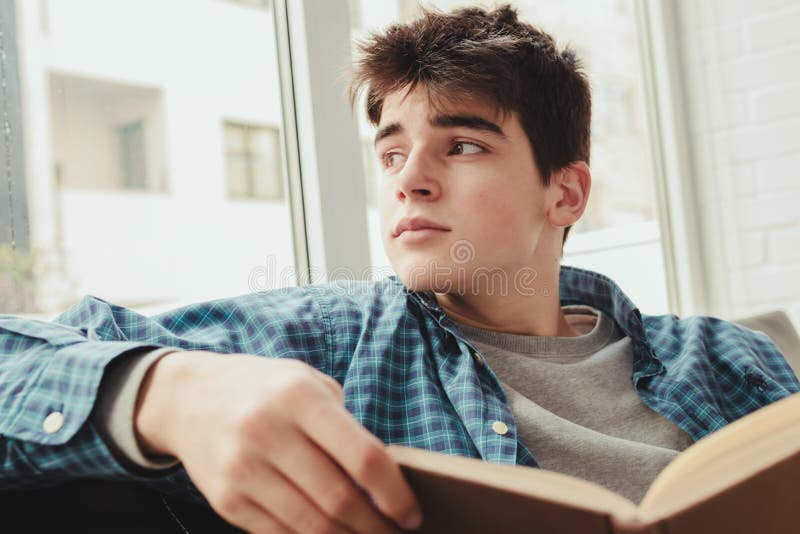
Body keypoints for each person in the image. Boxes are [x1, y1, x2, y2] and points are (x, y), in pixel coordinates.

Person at [1, 4, 798, 533]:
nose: (408, 178)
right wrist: (165, 391)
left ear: (565, 192)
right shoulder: (332, 337)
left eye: (462, 145)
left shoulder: (731, 358)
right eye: (391, 152)